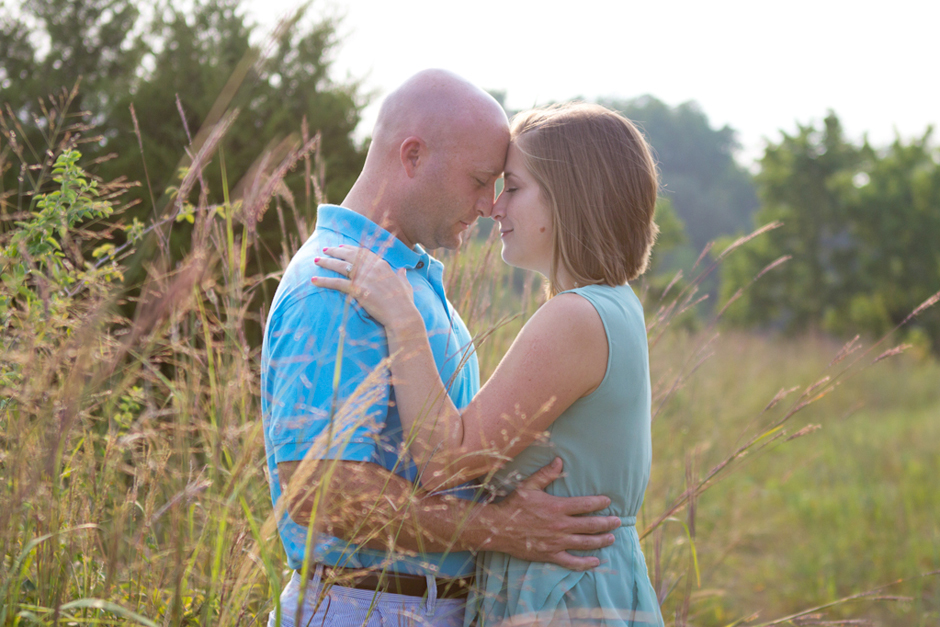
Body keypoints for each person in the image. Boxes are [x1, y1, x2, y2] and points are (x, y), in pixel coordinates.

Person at [261, 71, 624, 627]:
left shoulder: (399, 280)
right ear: (412, 156)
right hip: (367, 609)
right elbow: (320, 493)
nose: (489, 205)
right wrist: (500, 529)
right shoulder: (334, 283)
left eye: (502, 186)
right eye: (480, 180)